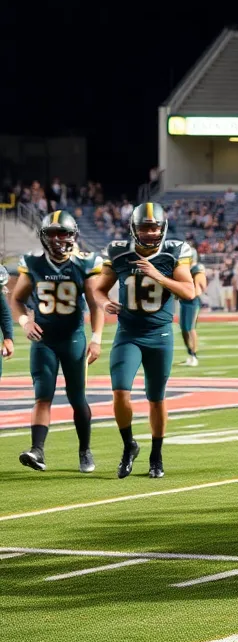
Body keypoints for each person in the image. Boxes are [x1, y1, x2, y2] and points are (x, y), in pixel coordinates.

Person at [90, 203, 197, 478]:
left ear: (163, 228)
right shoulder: (119, 252)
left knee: (156, 398)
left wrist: (158, 275)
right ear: (133, 229)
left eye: (154, 227)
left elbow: (189, 292)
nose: (150, 233)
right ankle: (129, 446)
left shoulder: (174, 252)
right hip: (128, 333)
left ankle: (156, 454)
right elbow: (99, 290)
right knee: (120, 393)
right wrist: (104, 303)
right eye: (144, 228)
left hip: (160, 335)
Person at [10, 212, 105, 473]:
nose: (57, 238)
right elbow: (16, 300)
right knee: (42, 397)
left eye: (62, 232)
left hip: (73, 339)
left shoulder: (85, 263)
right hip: (44, 341)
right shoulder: (33, 263)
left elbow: (96, 304)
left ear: (73, 235)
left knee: (77, 398)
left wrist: (96, 338)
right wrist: (25, 323)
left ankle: (85, 450)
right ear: (43, 236)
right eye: (51, 233)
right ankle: (37, 450)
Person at [179, 249, 207, 367]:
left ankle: (194, 355)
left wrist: (191, 291)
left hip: (192, 301)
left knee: (190, 328)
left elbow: (201, 287)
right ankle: (190, 353)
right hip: (184, 301)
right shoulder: (185, 269)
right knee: (184, 329)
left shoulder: (197, 269)